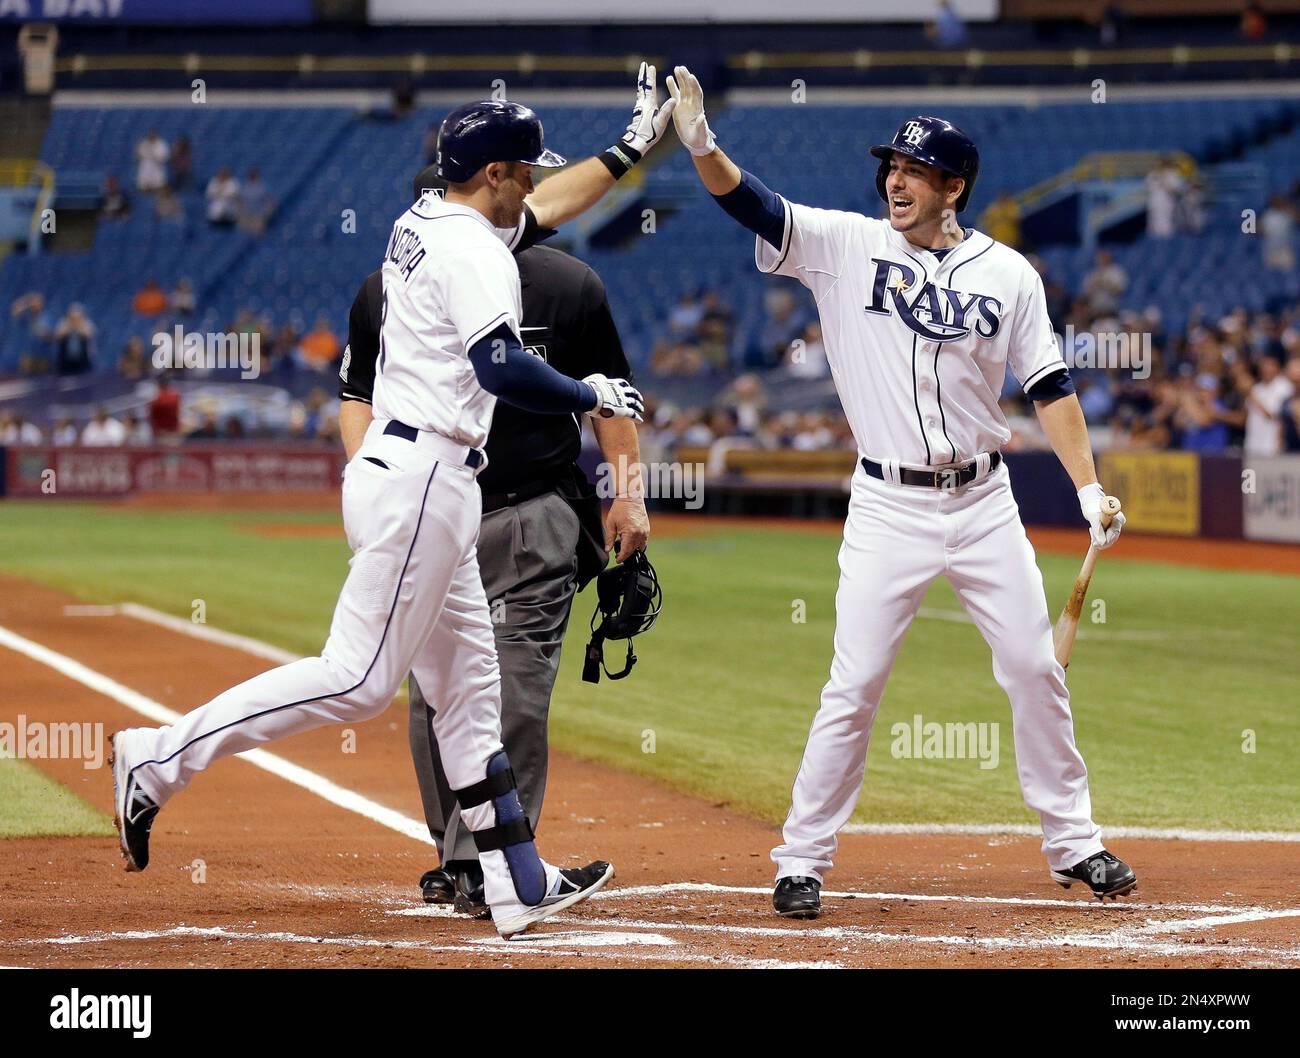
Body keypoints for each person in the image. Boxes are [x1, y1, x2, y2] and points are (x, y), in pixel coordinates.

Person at [109, 94, 647, 941]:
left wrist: (630, 149)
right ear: (497, 173)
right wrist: (592, 392)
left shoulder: (432, 214)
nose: (530, 189)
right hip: (428, 475)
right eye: (524, 172)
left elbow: (543, 209)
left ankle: (517, 882)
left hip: (410, 469)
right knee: (358, 679)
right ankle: (160, 757)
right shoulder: (473, 248)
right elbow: (502, 365)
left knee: (469, 695)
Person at [666, 67, 1134, 919]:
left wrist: (1088, 486)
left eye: (915, 171)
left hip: (985, 503)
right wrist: (703, 145)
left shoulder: (1011, 276)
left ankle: (1076, 844)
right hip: (888, 504)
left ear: (954, 187)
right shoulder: (846, 245)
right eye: (892, 167)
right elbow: (755, 206)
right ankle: (801, 858)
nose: (896, 180)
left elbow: (1052, 384)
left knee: (1035, 668)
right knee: (855, 684)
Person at [335, 65, 672, 914]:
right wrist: (624, 486)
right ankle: (480, 866)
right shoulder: (539, 274)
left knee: (442, 686)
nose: (528, 194)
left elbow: (356, 404)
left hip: (481, 506)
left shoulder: (401, 266)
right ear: (489, 189)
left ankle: (470, 863)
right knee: (489, 683)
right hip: (466, 502)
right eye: (518, 177)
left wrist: (625, 492)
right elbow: (608, 396)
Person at [1244, 355, 1295, 458]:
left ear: (1277, 368)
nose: (1266, 369)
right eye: (1264, 366)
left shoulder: (1284, 387)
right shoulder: (1256, 388)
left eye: (1270, 366)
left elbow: (1274, 415)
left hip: (1271, 445)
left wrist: (1250, 395)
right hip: (1252, 444)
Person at [54, 304, 95, 375]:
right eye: (72, 317)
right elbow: (58, 335)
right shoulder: (63, 323)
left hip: (82, 359)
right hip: (66, 359)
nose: (74, 320)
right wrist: (70, 327)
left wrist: (77, 327)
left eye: (77, 317)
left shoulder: (87, 323)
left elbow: (88, 335)